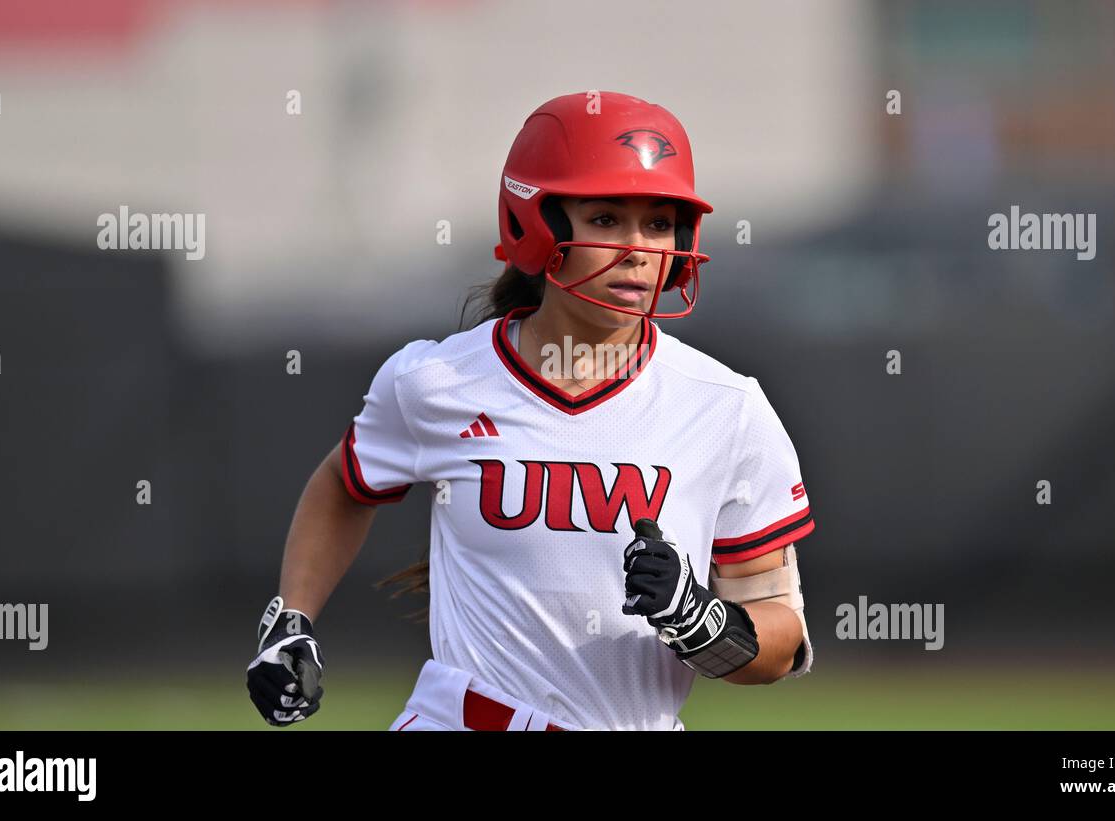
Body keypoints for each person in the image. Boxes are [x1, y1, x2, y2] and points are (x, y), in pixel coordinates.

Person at [246, 90, 815, 731]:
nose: (638, 249)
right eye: (604, 218)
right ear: (535, 223)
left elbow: (781, 642)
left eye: (659, 224)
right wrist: (291, 619)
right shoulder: (435, 381)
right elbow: (344, 486)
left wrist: (701, 620)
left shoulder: (725, 407)